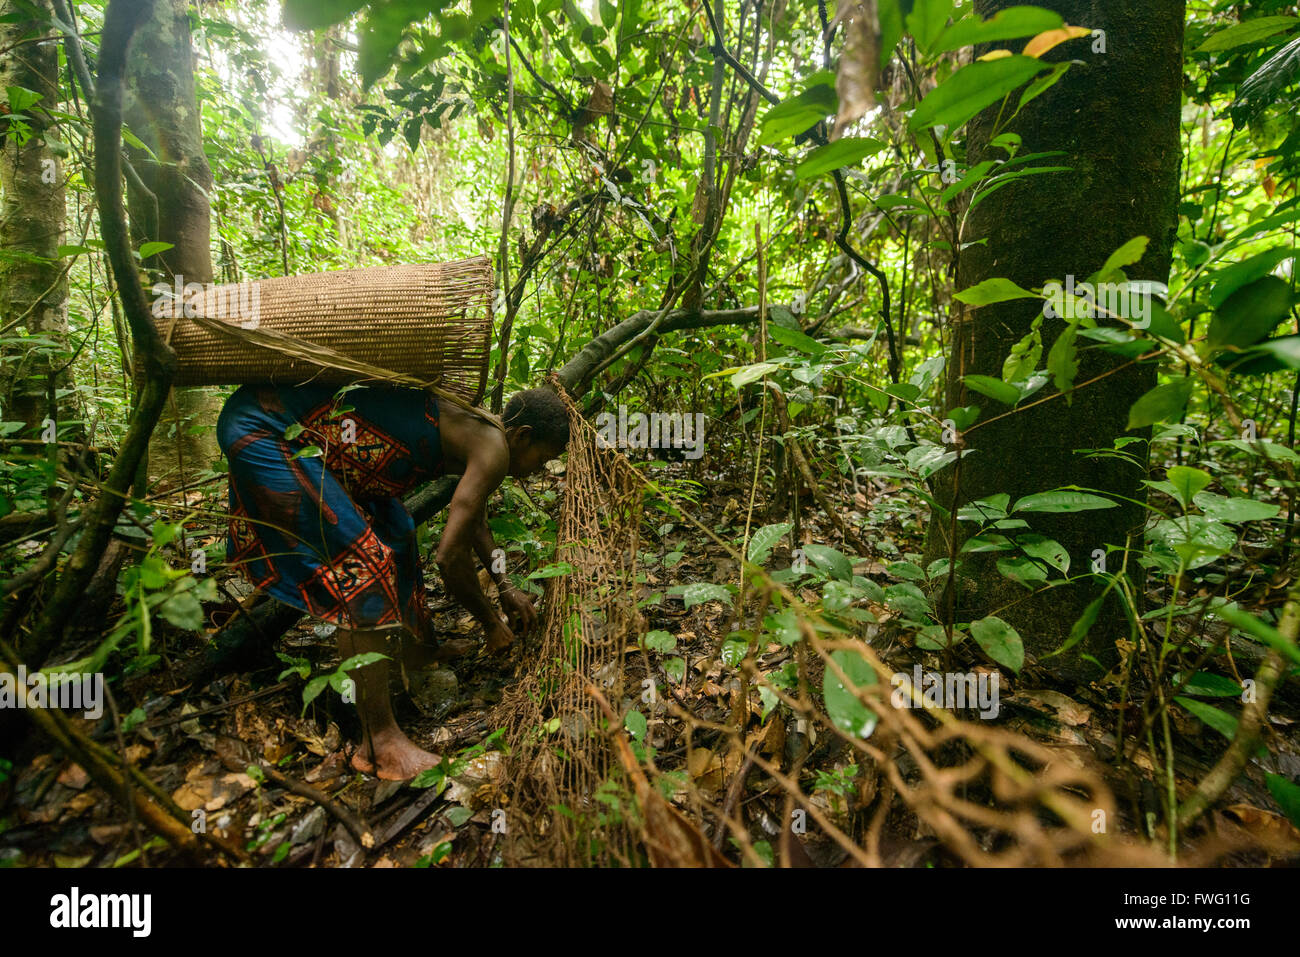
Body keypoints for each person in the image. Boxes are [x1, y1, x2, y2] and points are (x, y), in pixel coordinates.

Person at [216, 383, 568, 780]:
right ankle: (377, 742)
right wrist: (490, 622)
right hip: (265, 429)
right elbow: (449, 557)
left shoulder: (484, 430)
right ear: (523, 437)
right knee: (366, 566)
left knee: (397, 529)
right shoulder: (494, 449)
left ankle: (416, 651)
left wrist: (505, 587)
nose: (539, 468)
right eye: (543, 458)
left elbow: (476, 521)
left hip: (271, 419)